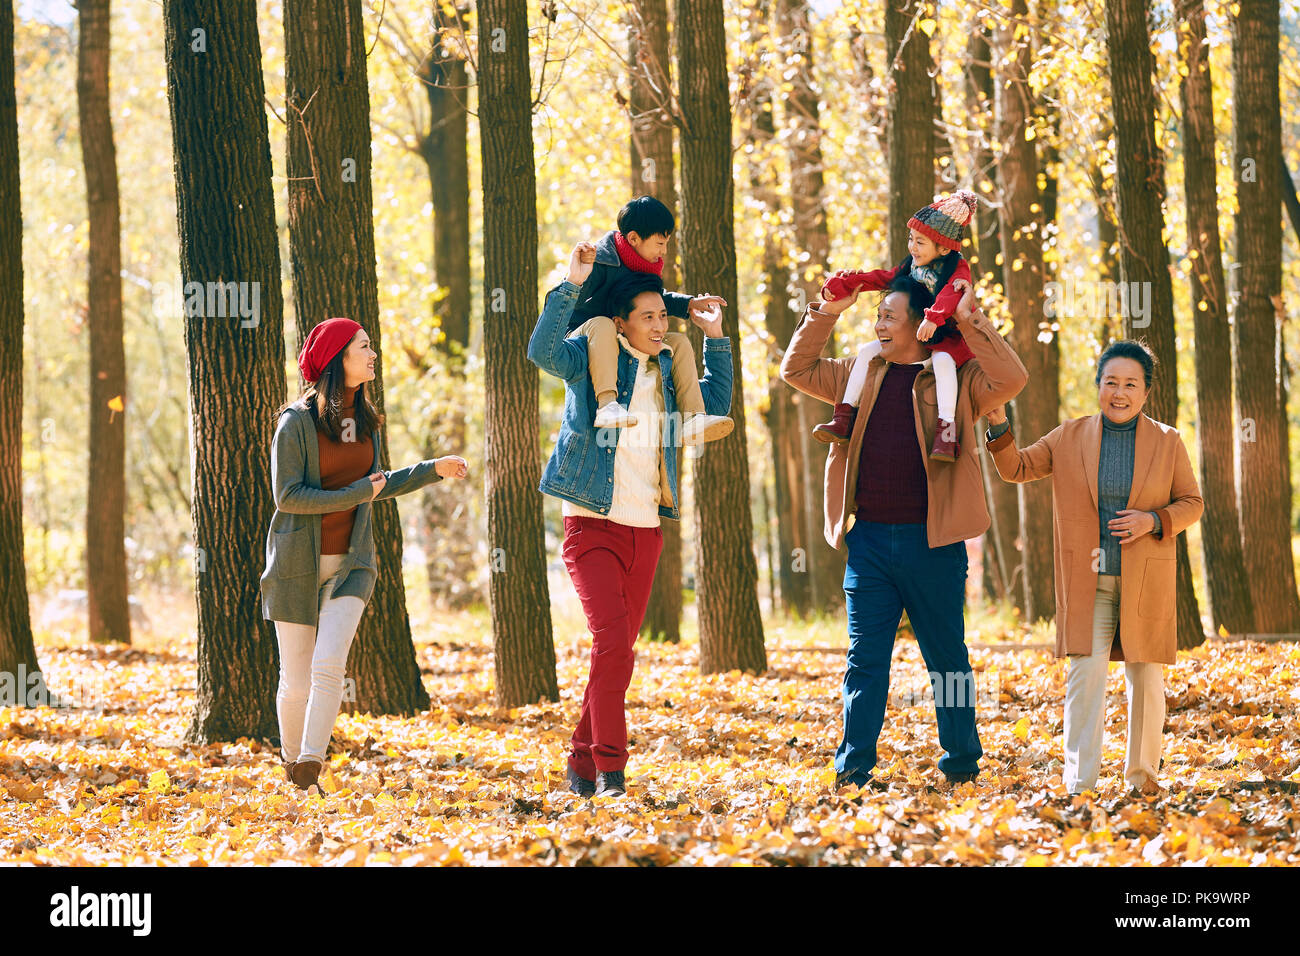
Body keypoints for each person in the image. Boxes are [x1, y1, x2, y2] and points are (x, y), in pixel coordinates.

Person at [780, 276, 1027, 789]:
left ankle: (961, 764)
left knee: (947, 659)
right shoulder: (859, 372)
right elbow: (796, 369)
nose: (878, 324)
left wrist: (967, 316)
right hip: (868, 543)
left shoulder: (956, 379)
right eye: (878, 316)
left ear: (920, 321)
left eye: (889, 315)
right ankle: (853, 770)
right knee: (864, 661)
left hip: (933, 544)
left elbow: (1010, 379)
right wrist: (826, 311)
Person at [528, 244, 733, 798]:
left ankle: (579, 758)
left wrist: (715, 337)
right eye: (648, 317)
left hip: (646, 529)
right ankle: (612, 770)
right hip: (591, 523)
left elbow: (715, 402)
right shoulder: (592, 359)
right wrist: (570, 283)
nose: (660, 326)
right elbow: (542, 351)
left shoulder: (669, 367)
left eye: (663, 316)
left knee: (614, 654)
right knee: (614, 646)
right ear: (621, 322)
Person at [984, 340, 1203, 795]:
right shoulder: (1069, 436)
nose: (1118, 393)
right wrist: (997, 423)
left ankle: (1142, 780)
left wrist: (1153, 520)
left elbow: (1192, 502)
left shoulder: (1167, 441)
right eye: (1110, 383)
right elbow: (1017, 468)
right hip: (1089, 581)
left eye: (1130, 385)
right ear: (1098, 386)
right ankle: (1079, 783)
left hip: (1145, 580)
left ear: (1146, 393)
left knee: (1145, 678)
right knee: (1086, 676)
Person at [260, 318, 469, 791]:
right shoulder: (295, 423)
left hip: (352, 565)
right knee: (294, 681)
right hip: (296, 566)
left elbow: (377, 486)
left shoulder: (366, 421)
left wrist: (431, 469)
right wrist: (357, 492)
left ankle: (311, 760)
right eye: (365, 347)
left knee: (329, 664)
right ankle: (294, 770)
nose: (373, 355)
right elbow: (288, 497)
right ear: (339, 358)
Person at [812, 191, 979, 461]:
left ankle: (946, 431)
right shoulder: (912, 265)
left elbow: (951, 294)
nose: (913, 247)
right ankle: (843, 416)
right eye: (911, 239)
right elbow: (885, 278)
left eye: (921, 242)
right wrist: (847, 283)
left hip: (944, 336)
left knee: (944, 362)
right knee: (866, 352)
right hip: (915, 335)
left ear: (945, 248)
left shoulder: (958, 268)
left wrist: (934, 317)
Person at [565, 195, 732, 445]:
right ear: (633, 238)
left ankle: (693, 416)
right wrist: (577, 276)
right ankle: (607, 404)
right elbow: (570, 303)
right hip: (589, 334)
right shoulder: (602, 260)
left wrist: (688, 304)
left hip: (623, 335)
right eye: (660, 243)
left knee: (678, 342)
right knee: (604, 324)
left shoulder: (643, 263)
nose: (664, 251)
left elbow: (651, 301)